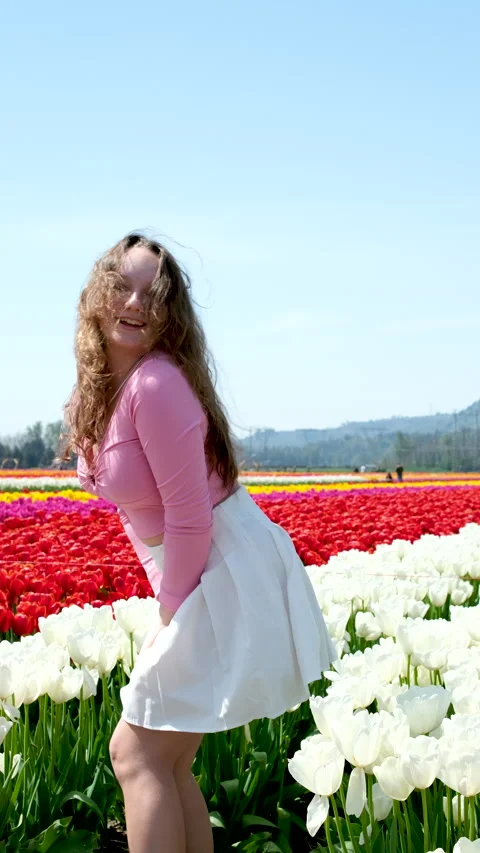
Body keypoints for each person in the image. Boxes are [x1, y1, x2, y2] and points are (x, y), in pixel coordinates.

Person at [65, 234, 336, 853]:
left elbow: (189, 518)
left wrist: (170, 613)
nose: (134, 303)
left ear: (170, 311)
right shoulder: (104, 386)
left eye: (151, 293)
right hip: (199, 571)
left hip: (220, 571)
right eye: (121, 286)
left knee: (134, 754)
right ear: (95, 294)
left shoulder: (155, 385)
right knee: (163, 756)